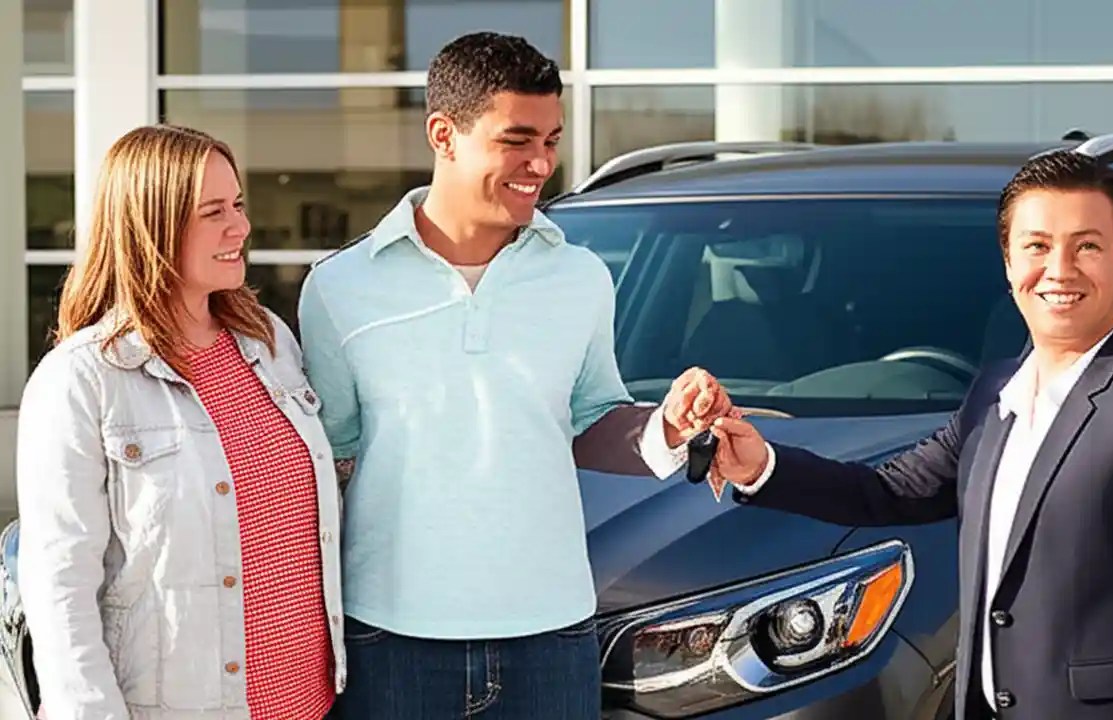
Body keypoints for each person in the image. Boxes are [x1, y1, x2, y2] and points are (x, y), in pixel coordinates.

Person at [698, 150, 1113, 720]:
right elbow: (888, 491)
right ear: (1008, 262)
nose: (1059, 269)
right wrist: (760, 465)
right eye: (1037, 246)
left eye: (1087, 246)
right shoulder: (995, 392)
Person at [297, 32, 726, 719]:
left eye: (552, 140)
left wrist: (665, 427)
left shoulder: (580, 277)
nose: (541, 163)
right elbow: (332, 460)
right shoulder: (339, 288)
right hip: (392, 639)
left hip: (551, 640)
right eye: (517, 140)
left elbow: (591, 419)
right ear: (444, 134)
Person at [16, 124, 345, 720]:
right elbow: (60, 589)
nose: (240, 227)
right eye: (213, 211)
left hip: (311, 705)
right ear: (152, 225)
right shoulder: (83, 380)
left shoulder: (269, 343)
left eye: (239, 204)